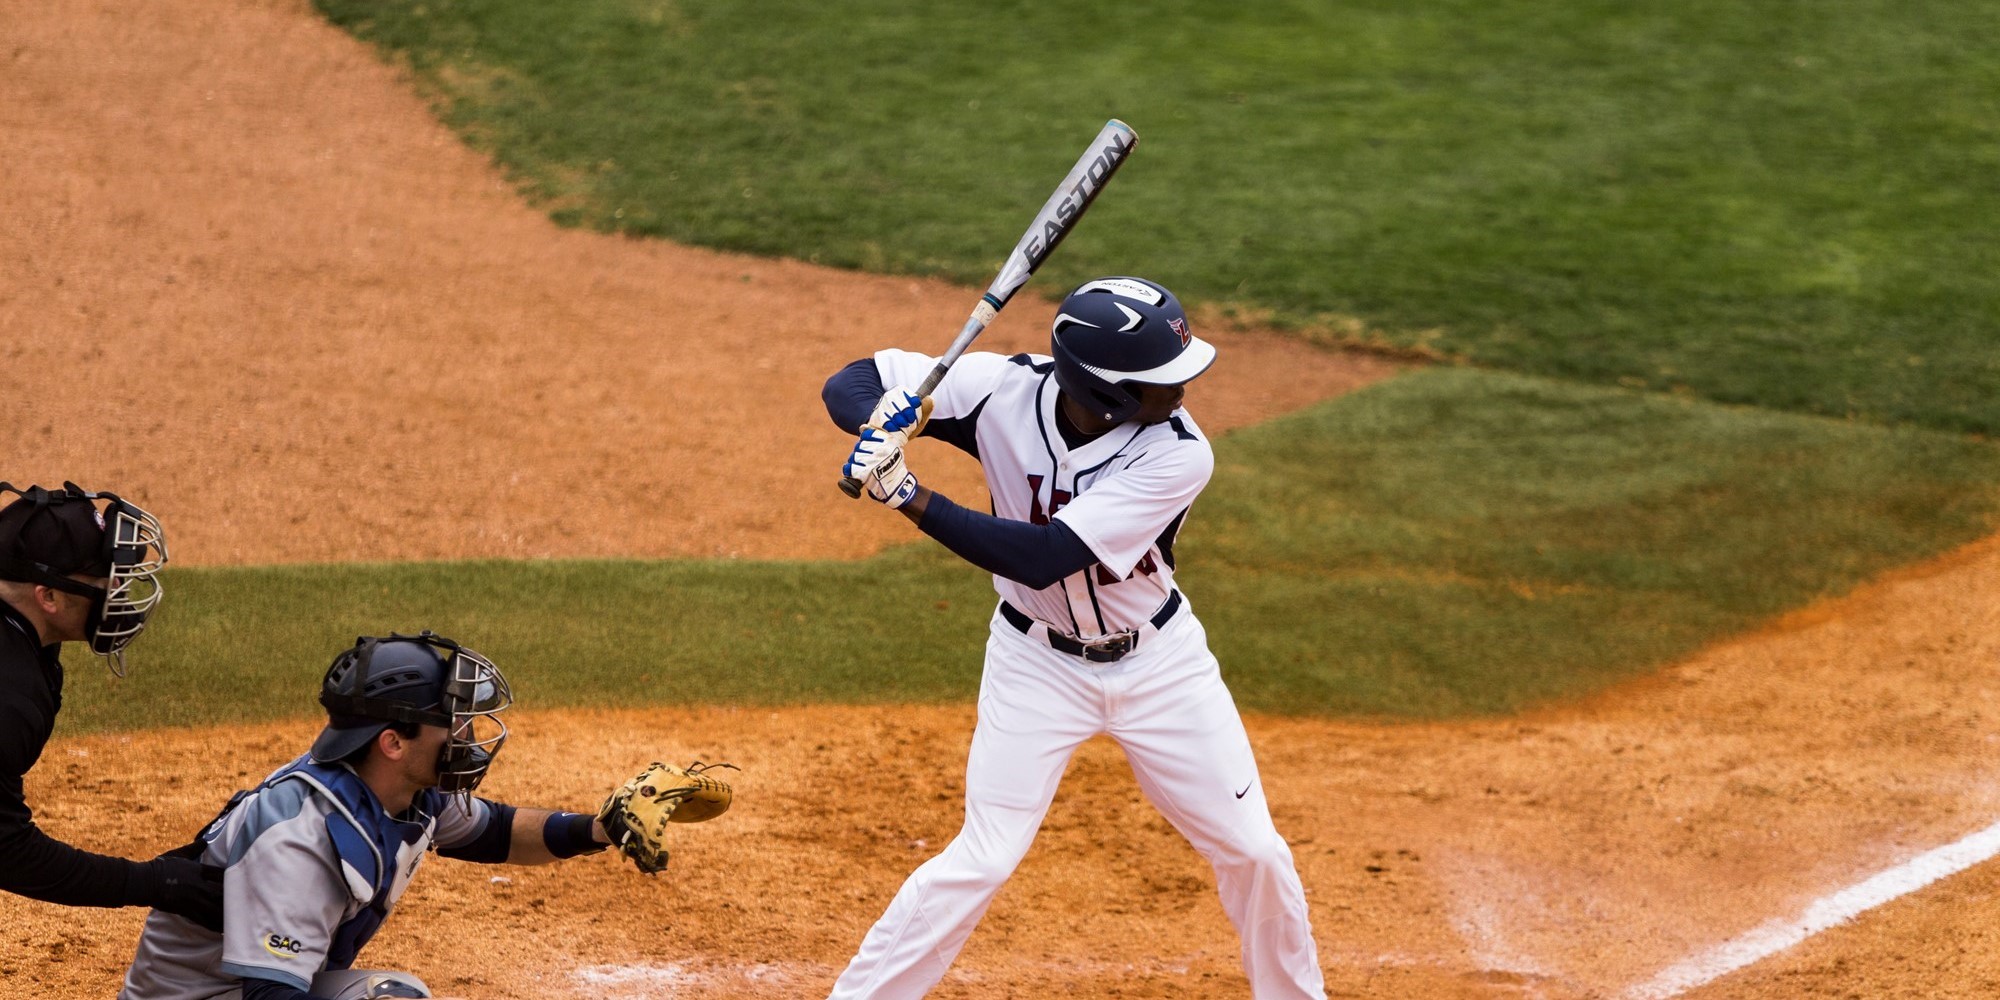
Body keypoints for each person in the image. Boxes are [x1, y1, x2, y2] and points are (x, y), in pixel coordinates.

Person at [823, 276, 1326, 998]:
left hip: (1160, 666)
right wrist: (893, 415)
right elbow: (850, 382)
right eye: (1161, 381)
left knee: (1255, 852)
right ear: (1105, 389)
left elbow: (1044, 555)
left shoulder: (1179, 453)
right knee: (985, 858)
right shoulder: (1004, 389)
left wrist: (907, 491)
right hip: (1035, 665)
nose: (1181, 392)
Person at [120, 631, 616, 1000]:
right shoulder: (302, 839)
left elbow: (498, 833)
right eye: (451, 720)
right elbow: (270, 997)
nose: (466, 733)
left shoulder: (404, 791)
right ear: (393, 742)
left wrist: (602, 828)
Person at [0, 482, 219, 927]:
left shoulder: (24, 642)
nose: (118, 588)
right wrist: (156, 882)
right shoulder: (9, 697)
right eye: (104, 578)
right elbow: (8, 851)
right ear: (48, 596)